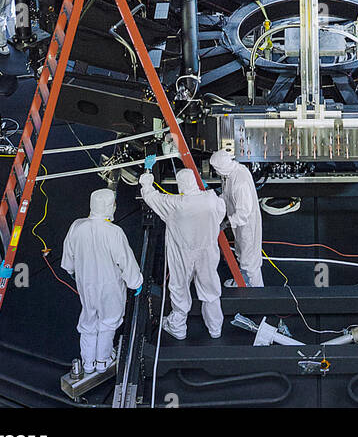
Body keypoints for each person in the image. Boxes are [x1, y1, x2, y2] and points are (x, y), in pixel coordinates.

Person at [61, 188, 143, 376]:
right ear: (108, 206)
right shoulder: (114, 232)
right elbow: (126, 261)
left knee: (89, 320)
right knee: (108, 322)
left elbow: (68, 260)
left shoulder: (77, 226)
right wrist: (135, 282)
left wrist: (74, 272)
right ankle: (102, 361)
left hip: (86, 286)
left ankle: (87, 363)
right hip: (110, 287)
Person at [139, 164, 226, 341]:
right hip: (207, 251)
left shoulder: (175, 204)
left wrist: (147, 177)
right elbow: (220, 213)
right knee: (210, 287)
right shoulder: (210, 199)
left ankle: (178, 328)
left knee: (179, 287)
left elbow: (150, 196)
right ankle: (215, 328)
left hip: (182, 252)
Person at [209, 149, 264, 287]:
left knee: (250, 261)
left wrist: (225, 224)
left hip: (247, 226)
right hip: (239, 225)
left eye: (216, 169)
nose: (215, 172)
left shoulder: (240, 182)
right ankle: (242, 282)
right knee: (241, 253)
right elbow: (227, 196)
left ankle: (254, 293)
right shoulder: (232, 173)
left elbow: (243, 214)